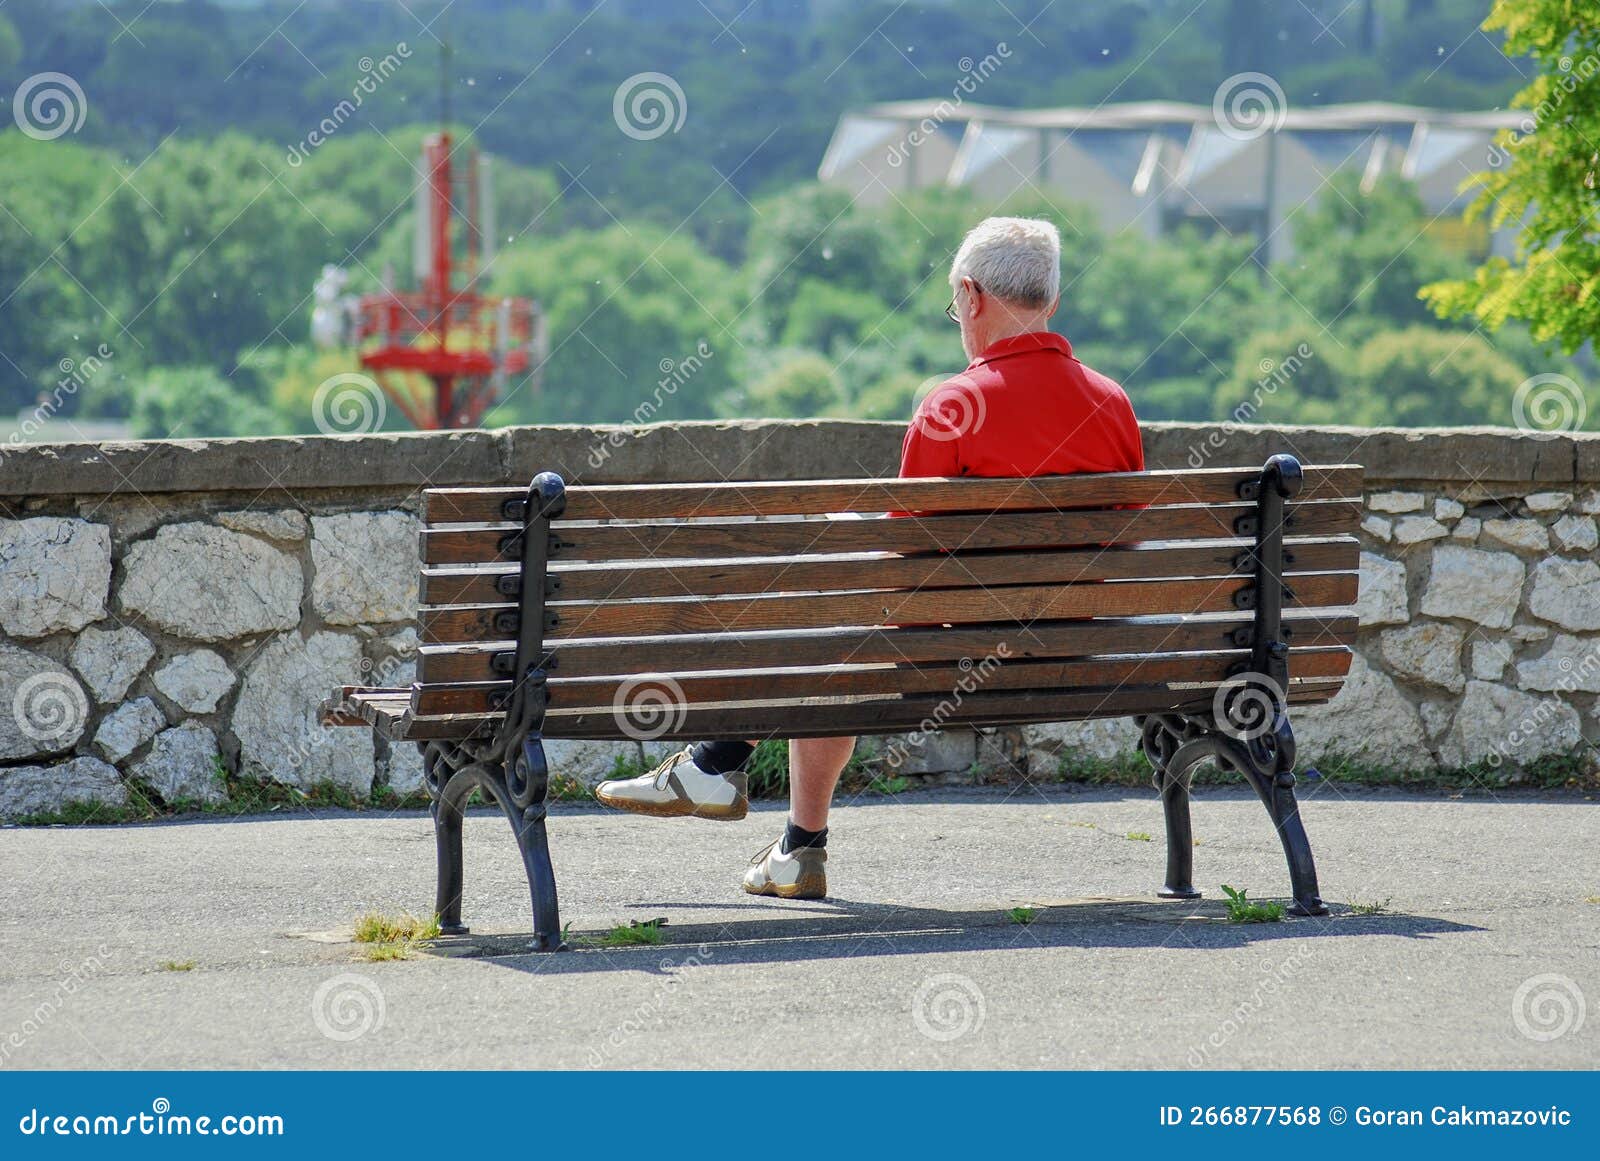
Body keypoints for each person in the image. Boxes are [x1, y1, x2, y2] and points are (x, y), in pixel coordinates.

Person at [594, 216, 1144, 900]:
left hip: (956, 664)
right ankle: (790, 844)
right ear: (1051, 303)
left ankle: (721, 765)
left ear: (972, 296)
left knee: (838, 601)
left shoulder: (953, 406)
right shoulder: (1113, 405)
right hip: (1079, 658)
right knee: (844, 609)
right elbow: (1122, 545)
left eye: (954, 306)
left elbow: (901, 562)